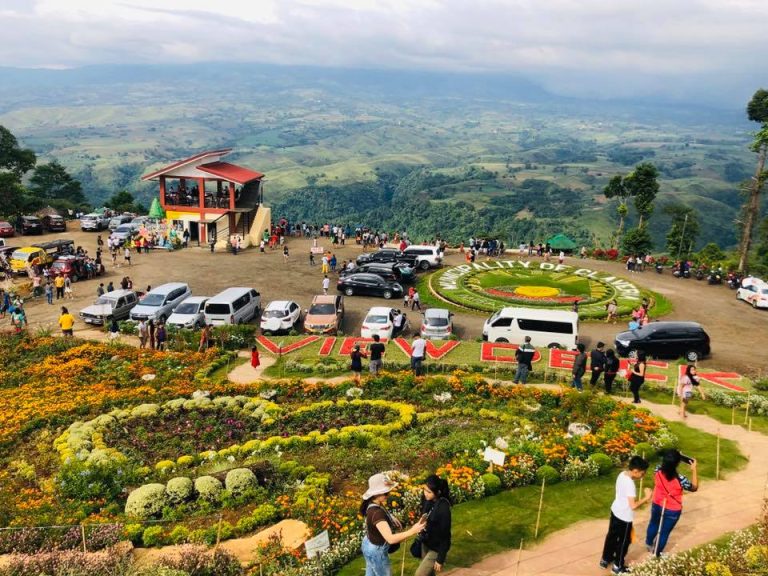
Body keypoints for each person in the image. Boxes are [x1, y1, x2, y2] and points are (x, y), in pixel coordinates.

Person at [360, 473, 426, 576]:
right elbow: (390, 539)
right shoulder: (377, 514)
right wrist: (412, 531)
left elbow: (381, 510)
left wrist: (390, 517)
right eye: (386, 493)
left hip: (368, 543)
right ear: (376, 494)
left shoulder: (372, 503)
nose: (388, 494)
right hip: (377, 551)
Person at [600, 456, 652, 574]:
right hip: (624, 516)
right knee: (624, 541)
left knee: (611, 536)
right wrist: (646, 498)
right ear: (635, 471)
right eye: (642, 473)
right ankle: (618, 566)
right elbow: (633, 506)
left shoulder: (622, 474)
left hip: (615, 511)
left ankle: (605, 559)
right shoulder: (630, 485)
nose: (643, 476)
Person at [645, 449, 698, 557]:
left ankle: (649, 543)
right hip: (673, 509)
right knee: (664, 532)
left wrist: (676, 457)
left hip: (657, 502)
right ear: (677, 463)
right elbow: (694, 487)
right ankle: (657, 552)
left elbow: (665, 465)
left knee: (654, 523)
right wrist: (694, 470)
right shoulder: (681, 479)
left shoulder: (657, 470)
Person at [415, 474, 452, 576]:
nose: (425, 493)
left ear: (438, 492)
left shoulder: (443, 508)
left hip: (437, 548)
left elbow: (445, 536)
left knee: (420, 574)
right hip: (426, 543)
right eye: (424, 490)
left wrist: (440, 558)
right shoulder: (428, 500)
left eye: (428, 492)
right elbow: (424, 516)